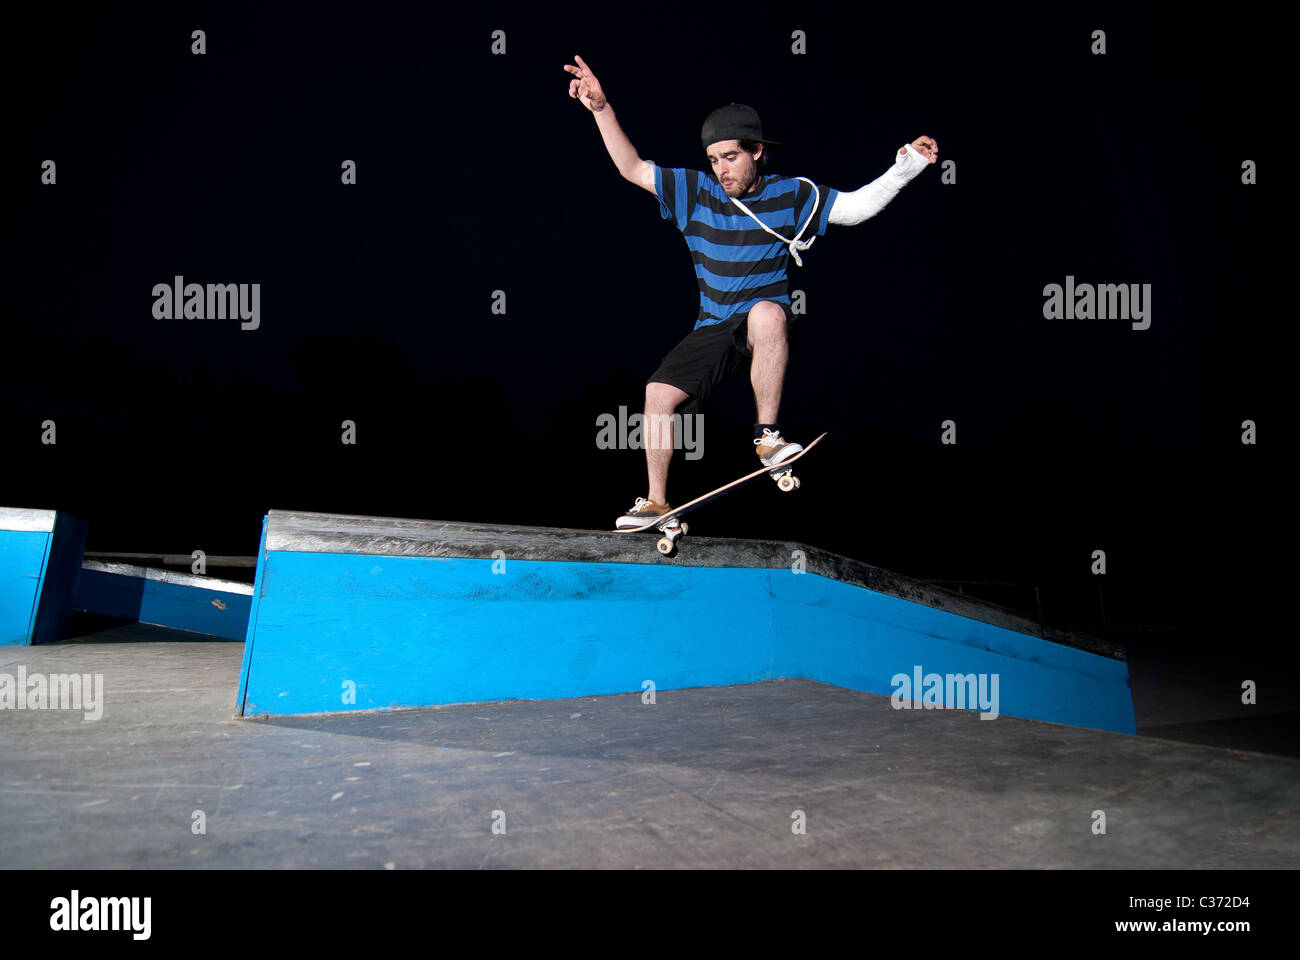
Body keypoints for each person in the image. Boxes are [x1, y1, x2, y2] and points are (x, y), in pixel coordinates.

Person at [563, 54, 937, 529]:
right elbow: (633, 168)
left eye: (732, 157)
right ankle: (658, 505)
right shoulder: (695, 192)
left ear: (757, 151)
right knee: (657, 393)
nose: (722, 170)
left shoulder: (792, 195)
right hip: (715, 326)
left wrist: (904, 169)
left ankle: (767, 437)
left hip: (764, 327)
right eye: (714, 160)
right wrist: (601, 109)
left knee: (765, 312)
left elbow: (856, 208)